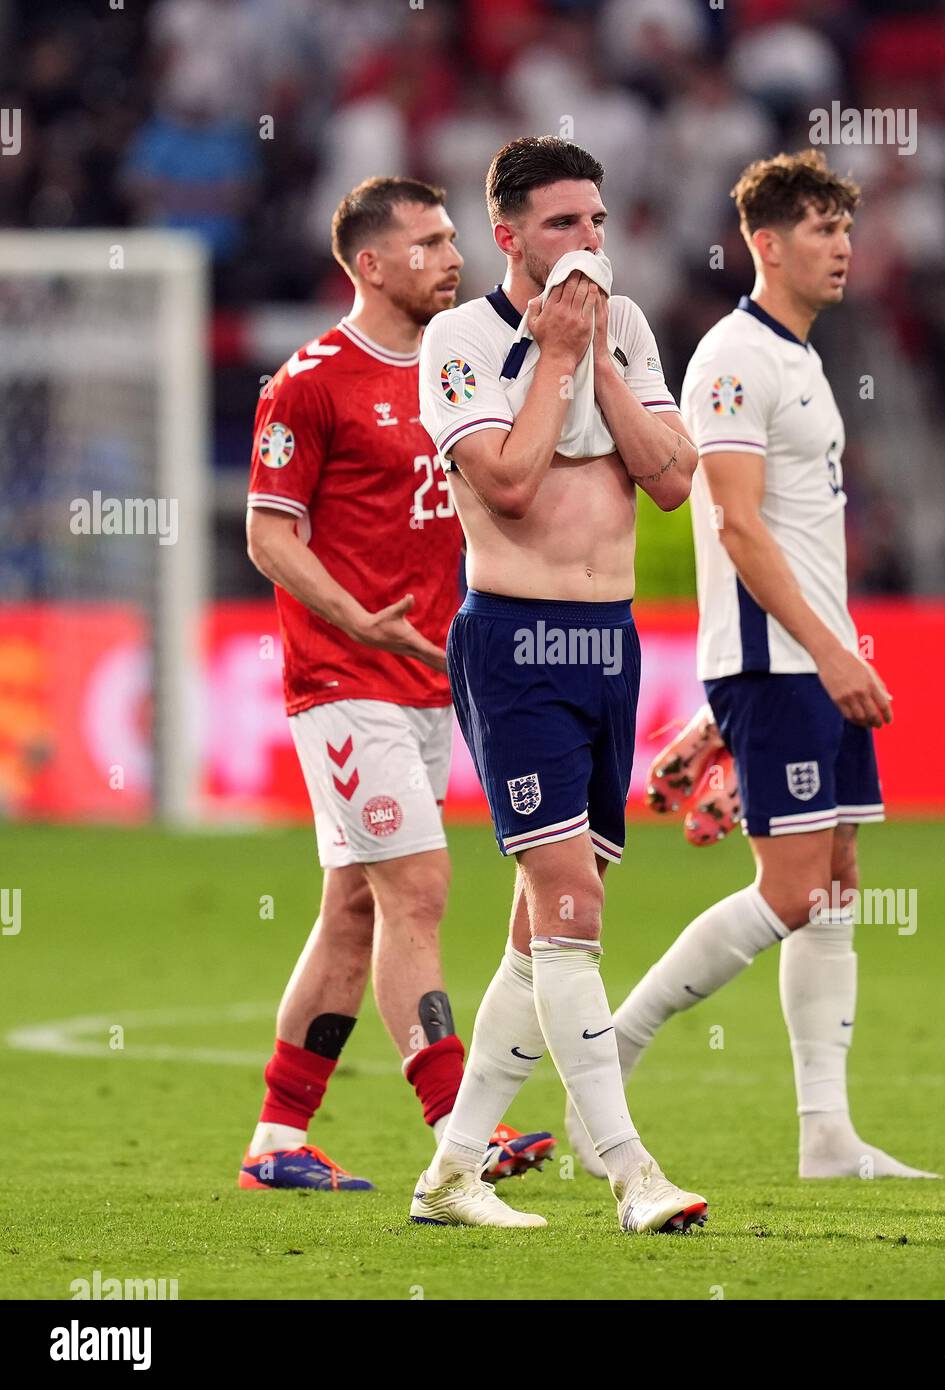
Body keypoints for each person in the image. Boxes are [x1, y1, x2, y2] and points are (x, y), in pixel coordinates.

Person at [567, 150, 938, 1182]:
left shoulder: (801, 358)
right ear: (763, 244)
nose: (841, 247)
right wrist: (821, 659)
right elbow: (732, 526)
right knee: (789, 890)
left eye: (846, 229)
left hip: (803, 660)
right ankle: (611, 1051)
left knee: (834, 885)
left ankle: (825, 1136)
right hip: (788, 663)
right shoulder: (732, 358)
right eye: (820, 230)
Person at [410, 136, 707, 1231]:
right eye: (560, 225)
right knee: (572, 915)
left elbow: (672, 481)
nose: (587, 242)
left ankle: (449, 1174)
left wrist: (599, 360)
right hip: (516, 645)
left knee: (539, 934)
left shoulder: (620, 326)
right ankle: (631, 1172)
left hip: (609, 646)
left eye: (595, 220)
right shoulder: (460, 338)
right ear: (507, 236)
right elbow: (511, 484)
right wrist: (550, 358)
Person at [241, 176, 554, 1191]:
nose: (451, 256)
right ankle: (464, 1134)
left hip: (425, 680)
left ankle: (277, 1144)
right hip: (341, 680)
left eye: (450, 238)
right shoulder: (310, 382)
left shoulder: (459, 366)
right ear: (369, 265)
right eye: (425, 243)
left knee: (353, 913)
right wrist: (351, 617)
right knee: (417, 889)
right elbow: (267, 534)